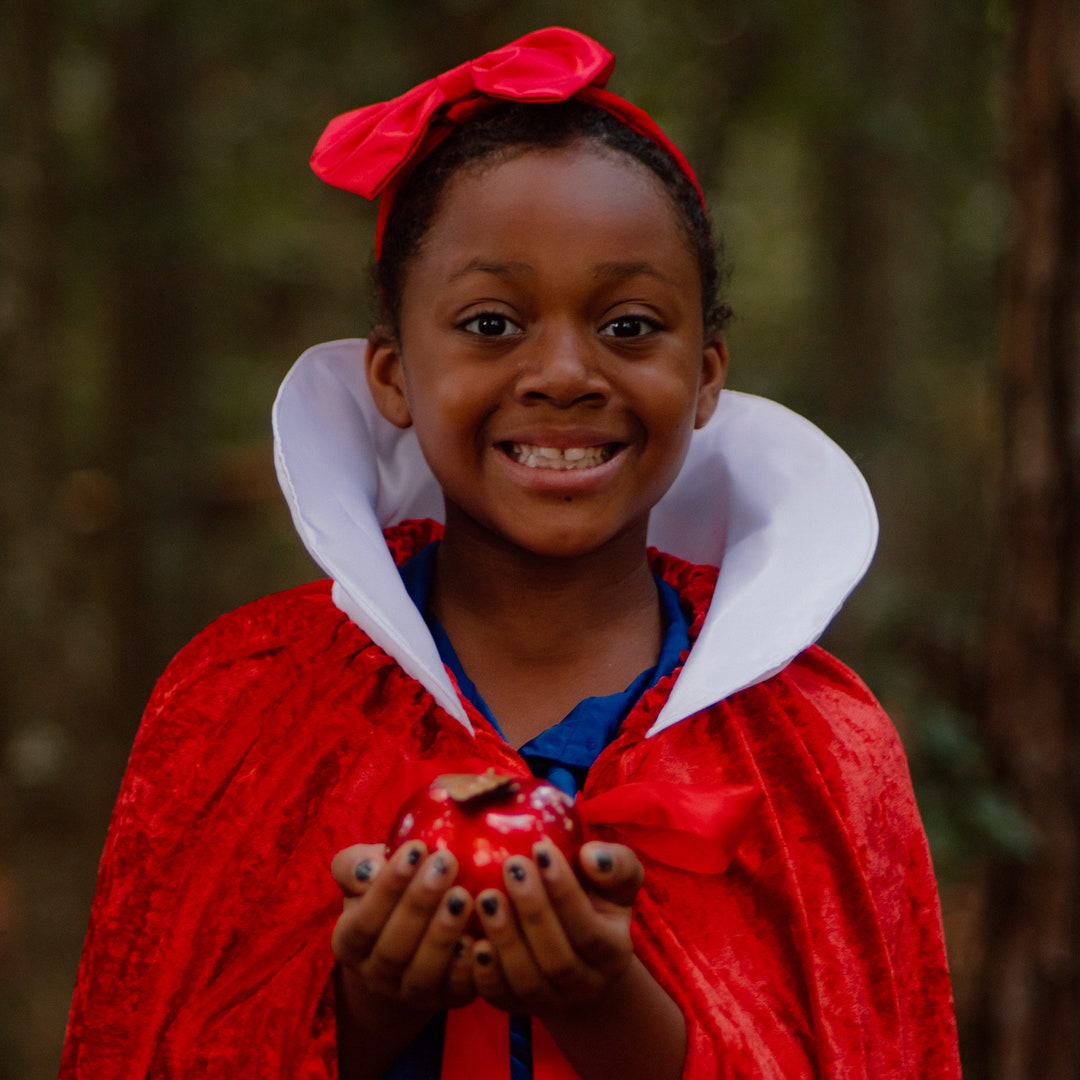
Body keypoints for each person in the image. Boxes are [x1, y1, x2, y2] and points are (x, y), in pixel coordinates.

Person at [61, 26, 960, 1080]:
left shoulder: (817, 749)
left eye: (629, 327)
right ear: (393, 374)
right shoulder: (239, 705)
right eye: (491, 323)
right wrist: (367, 1006)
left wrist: (604, 1004)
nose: (565, 373)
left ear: (707, 373)